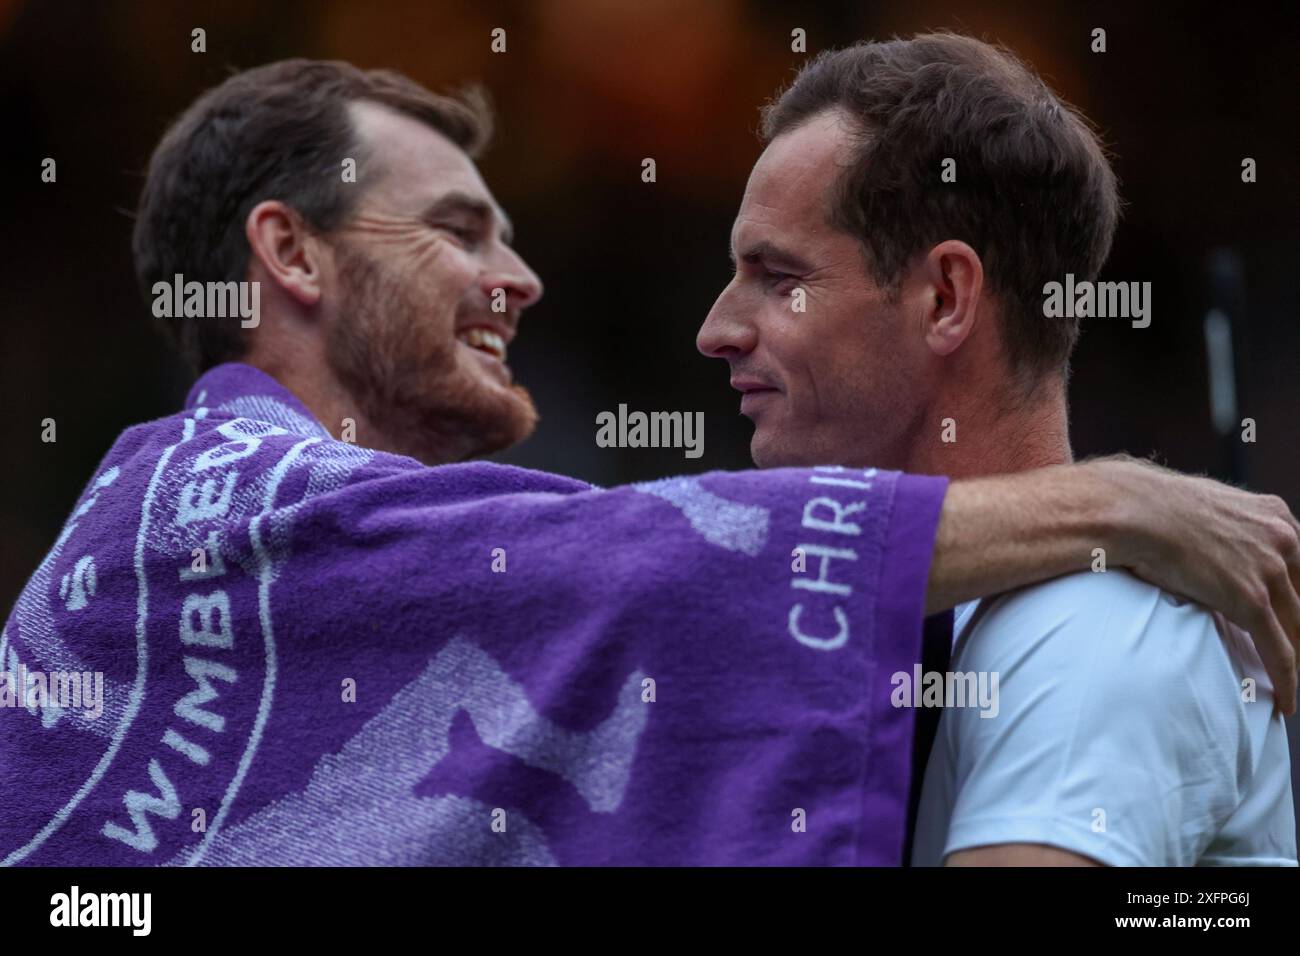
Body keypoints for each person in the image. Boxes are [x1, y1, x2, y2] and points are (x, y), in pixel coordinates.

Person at [2, 59, 1296, 867]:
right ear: (291, 256)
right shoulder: (220, 501)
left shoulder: (1101, 643)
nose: (522, 277)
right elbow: (640, 565)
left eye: (778, 278)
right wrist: (1118, 500)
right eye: (460, 230)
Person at [694, 34, 1295, 865]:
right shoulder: (924, 620)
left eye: (777, 276)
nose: (716, 330)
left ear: (945, 298)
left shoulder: (1095, 626)